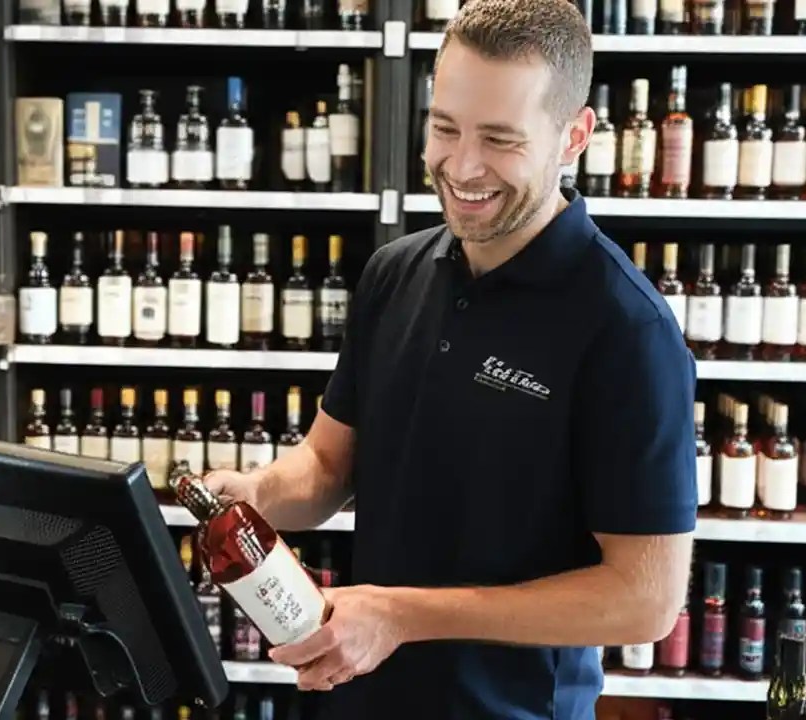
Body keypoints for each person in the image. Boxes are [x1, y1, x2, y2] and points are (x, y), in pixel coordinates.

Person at [203, 0, 697, 716]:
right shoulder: (394, 273)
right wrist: (255, 494)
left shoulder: (627, 329)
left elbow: (644, 599)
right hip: (359, 687)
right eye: (444, 128)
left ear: (574, 136)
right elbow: (328, 466)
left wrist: (406, 615)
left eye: (500, 139)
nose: (462, 166)